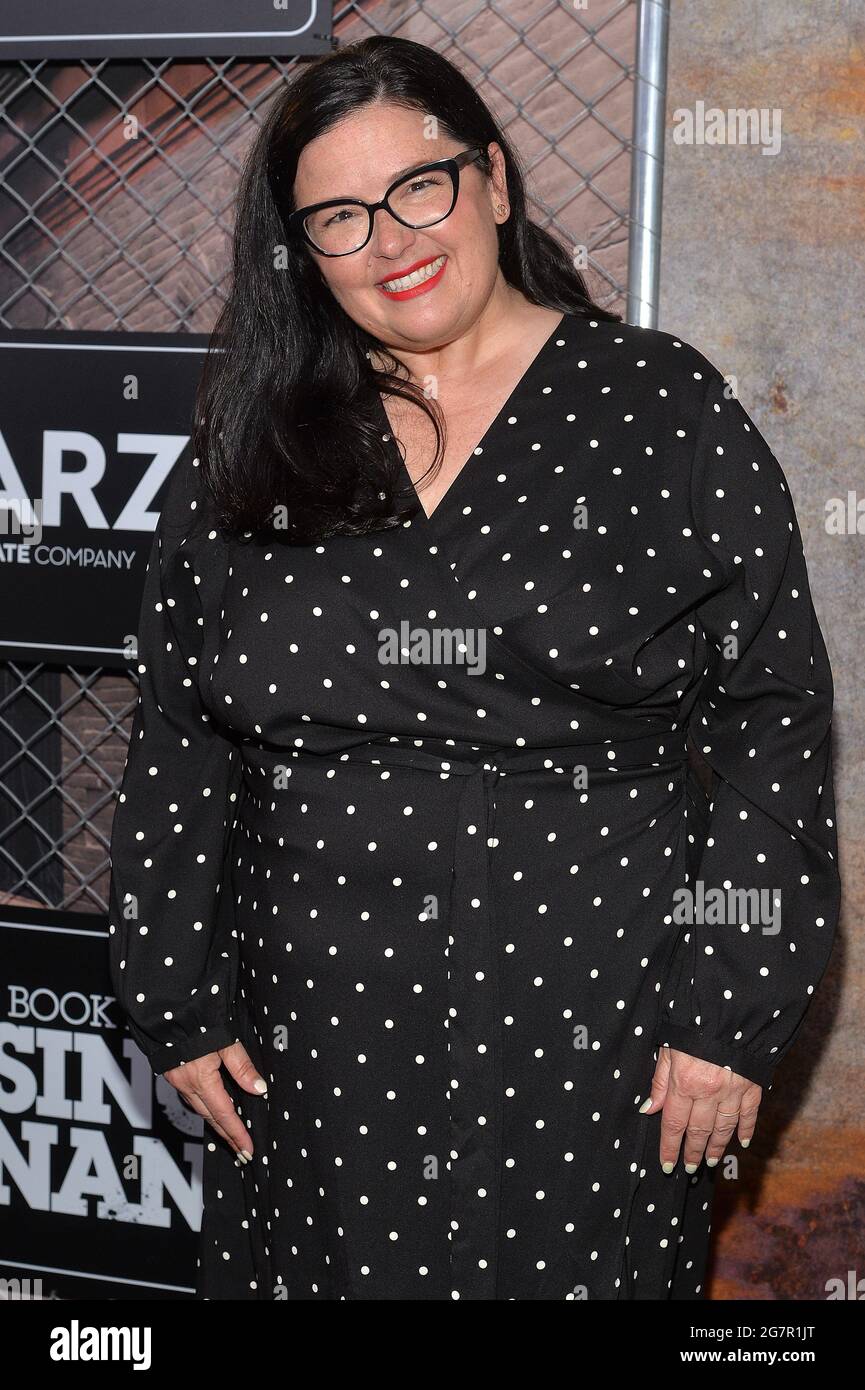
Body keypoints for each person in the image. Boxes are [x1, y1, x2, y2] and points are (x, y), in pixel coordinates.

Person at [108, 35, 840, 1301]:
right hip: (315, 1037)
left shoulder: (657, 407)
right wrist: (175, 991)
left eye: (421, 185)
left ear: (494, 180)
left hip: (596, 1025)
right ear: (298, 250)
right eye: (338, 215)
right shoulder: (259, 432)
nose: (391, 238)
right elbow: (182, 720)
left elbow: (773, 722)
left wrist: (726, 1014)